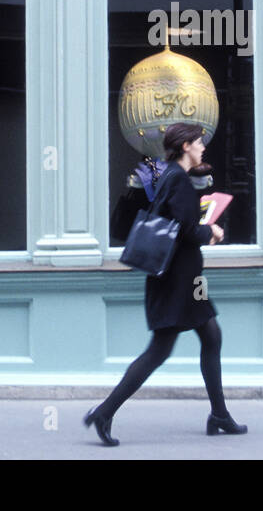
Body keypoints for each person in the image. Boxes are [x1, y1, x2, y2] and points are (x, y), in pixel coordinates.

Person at [84, 122, 247, 445]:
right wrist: (211, 232)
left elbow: (176, 223)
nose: (203, 147)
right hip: (177, 282)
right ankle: (104, 412)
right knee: (159, 351)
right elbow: (188, 231)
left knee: (211, 336)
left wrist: (199, 224)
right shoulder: (179, 181)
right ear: (186, 146)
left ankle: (219, 414)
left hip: (180, 279)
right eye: (199, 142)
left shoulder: (172, 177)